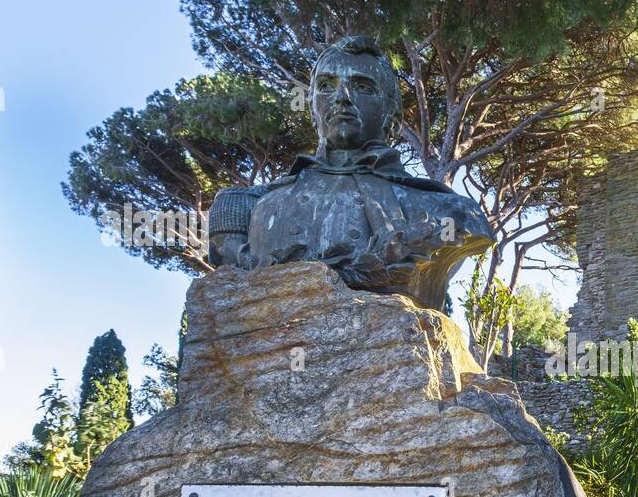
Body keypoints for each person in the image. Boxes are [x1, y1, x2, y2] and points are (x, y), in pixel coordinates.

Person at [207, 35, 494, 310]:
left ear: (392, 116)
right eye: (327, 86)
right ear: (312, 110)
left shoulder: (449, 211)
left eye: (362, 87)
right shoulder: (245, 206)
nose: (342, 97)